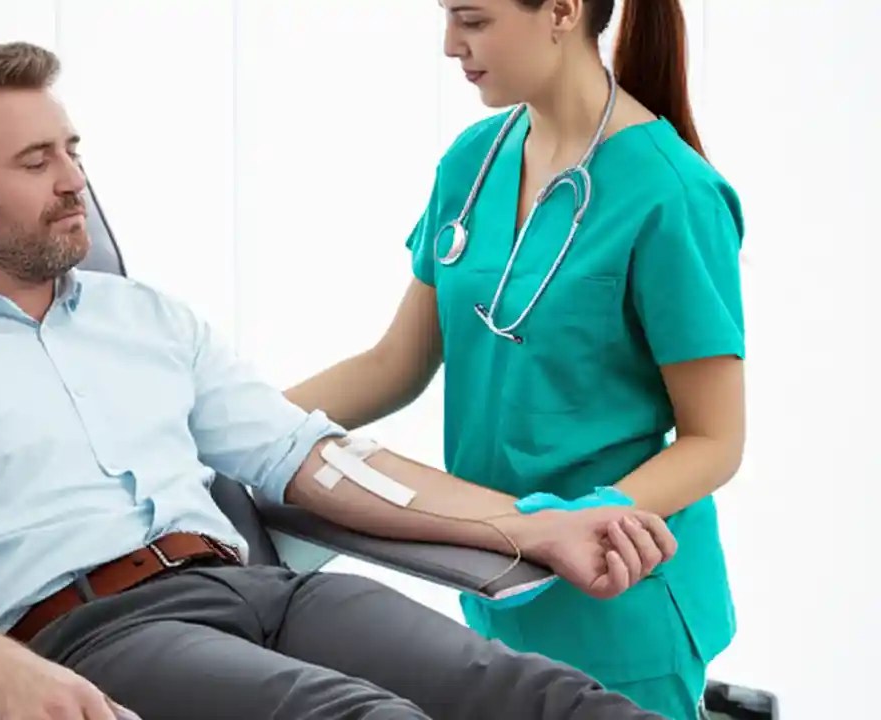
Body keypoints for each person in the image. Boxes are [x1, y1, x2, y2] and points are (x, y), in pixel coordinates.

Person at [0, 40, 680, 720]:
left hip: (263, 592)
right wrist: (2, 673)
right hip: (98, 633)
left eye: (72, 150)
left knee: (542, 697)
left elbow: (309, 456)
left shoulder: (147, 318)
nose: (77, 181)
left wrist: (530, 526)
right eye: (35, 162)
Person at [285, 1, 746, 719]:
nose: (449, 45)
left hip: (622, 597)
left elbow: (715, 440)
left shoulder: (673, 195)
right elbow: (393, 364)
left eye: (472, 19)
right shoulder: (474, 161)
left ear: (561, 11)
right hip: (499, 581)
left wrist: (586, 522)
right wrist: (239, 422)